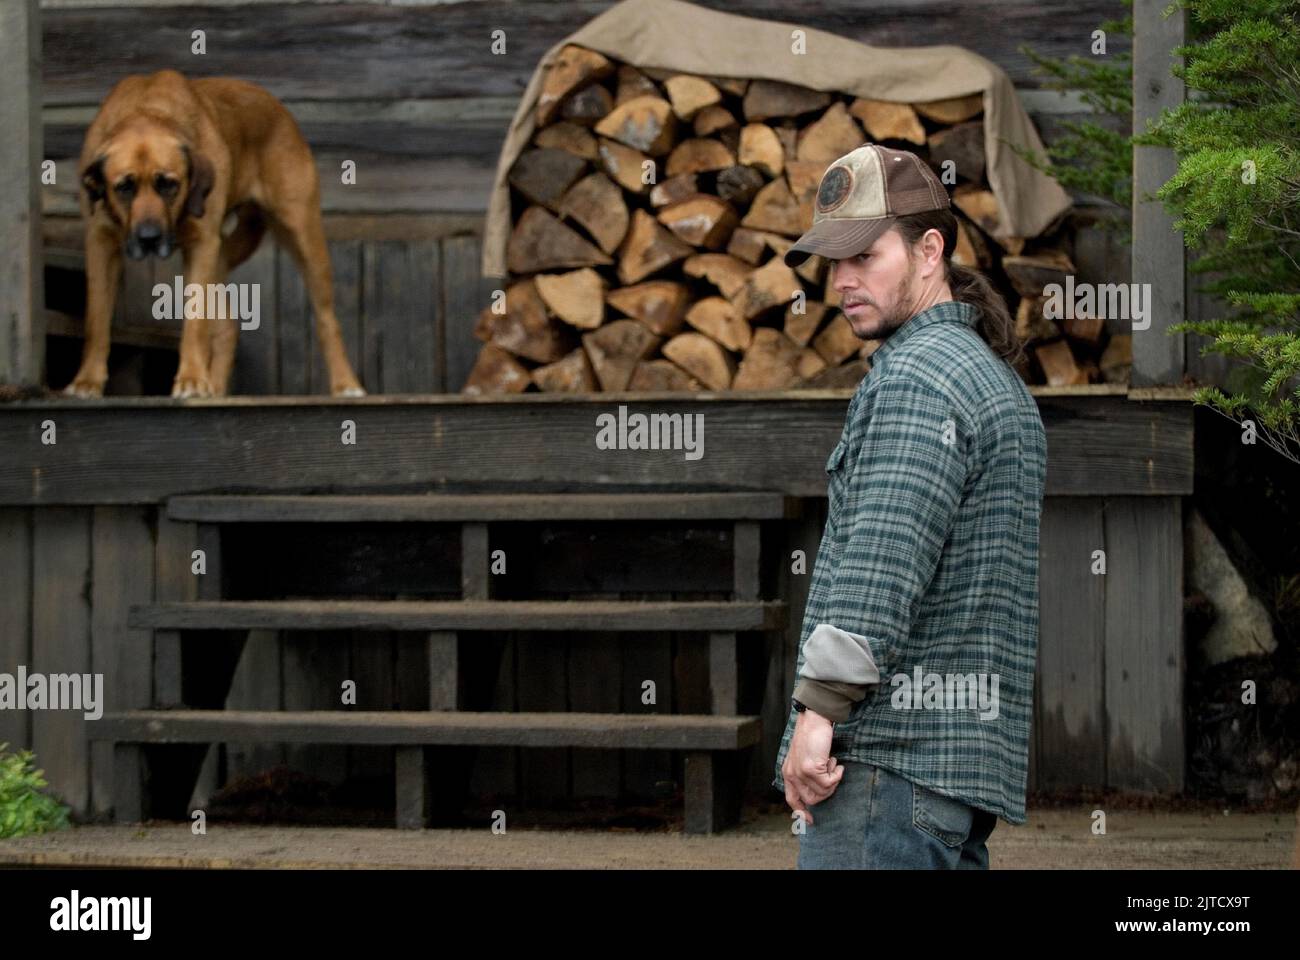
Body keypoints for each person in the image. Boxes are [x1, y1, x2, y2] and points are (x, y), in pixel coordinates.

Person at [771, 143, 1048, 869]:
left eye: (865, 256)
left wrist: (818, 715)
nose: (842, 281)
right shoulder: (990, 379)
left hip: (884, 783)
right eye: (834, 262)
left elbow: (882, 563)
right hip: (948, 792)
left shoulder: (920, 380)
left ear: (931, 250)